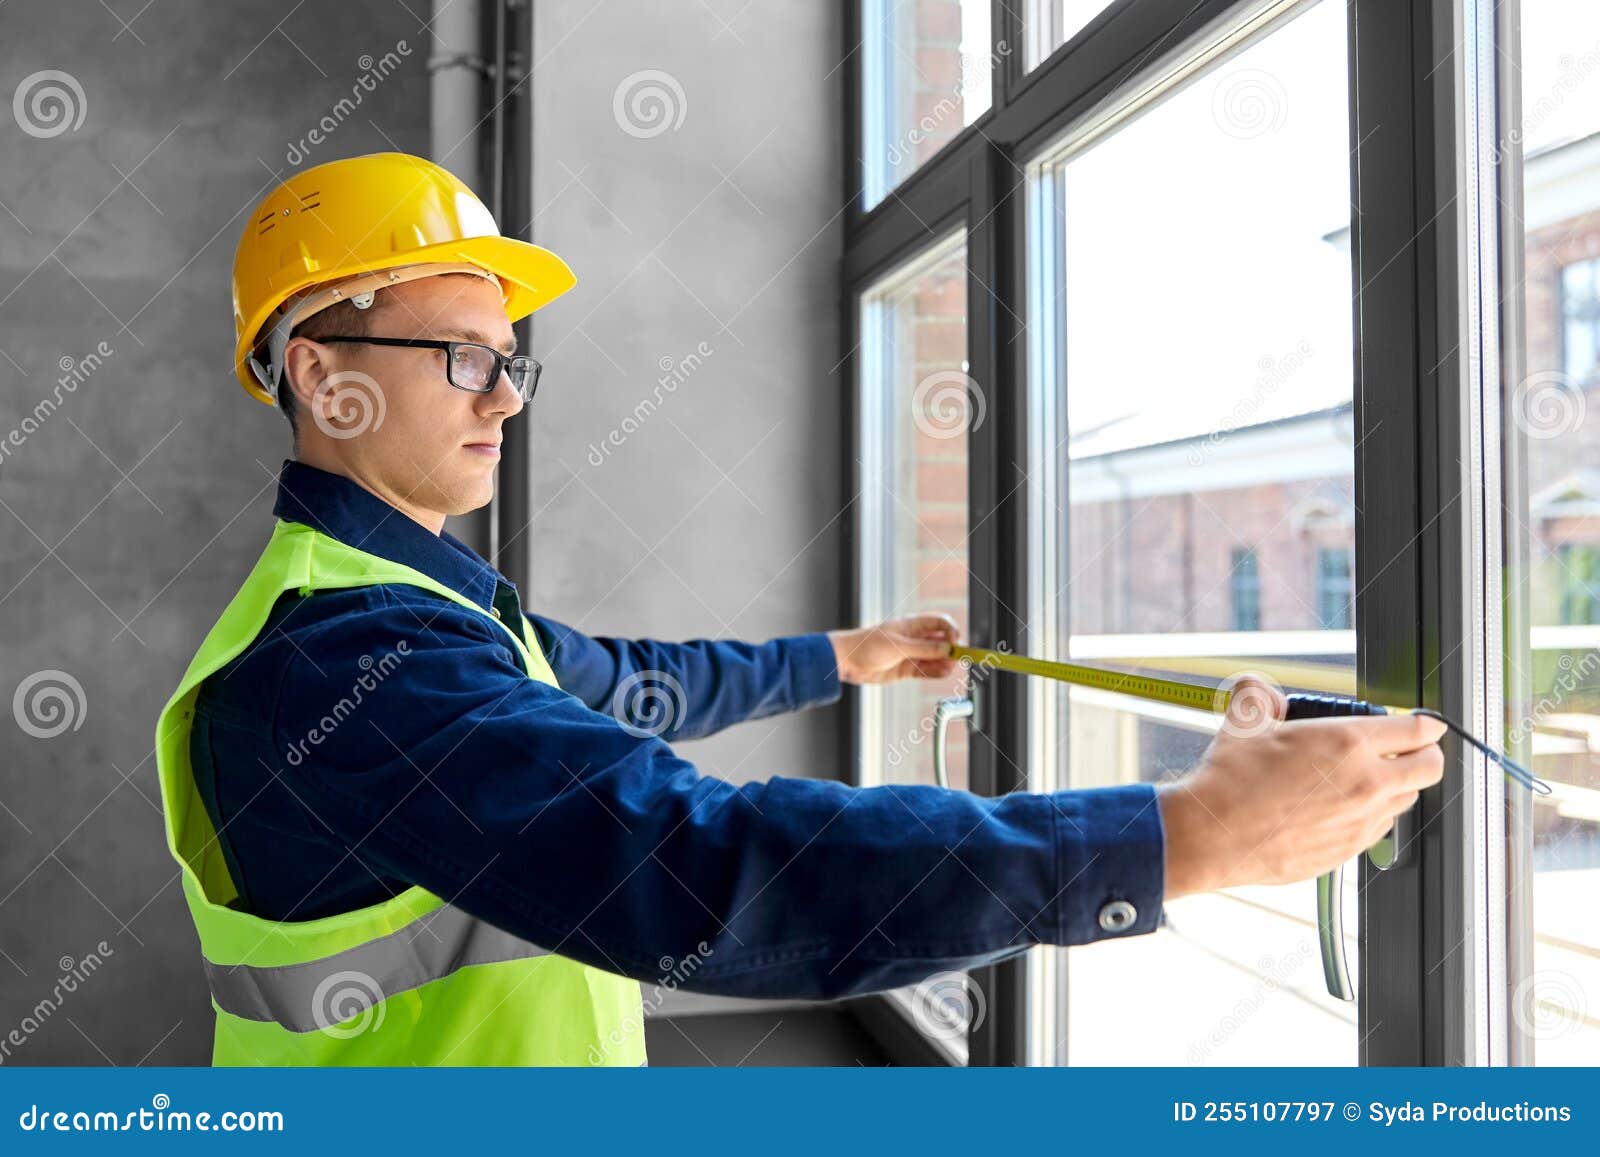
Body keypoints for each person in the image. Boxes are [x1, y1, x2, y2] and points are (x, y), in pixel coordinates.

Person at [154, 152, 1445, 1067]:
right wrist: (1181, 836)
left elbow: (643, 683)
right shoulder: (341, 662)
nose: (506, 398)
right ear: (320, 377)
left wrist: (848, 655)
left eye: (513, 361)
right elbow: (701, 870)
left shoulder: (437, 611)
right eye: (466, 359)